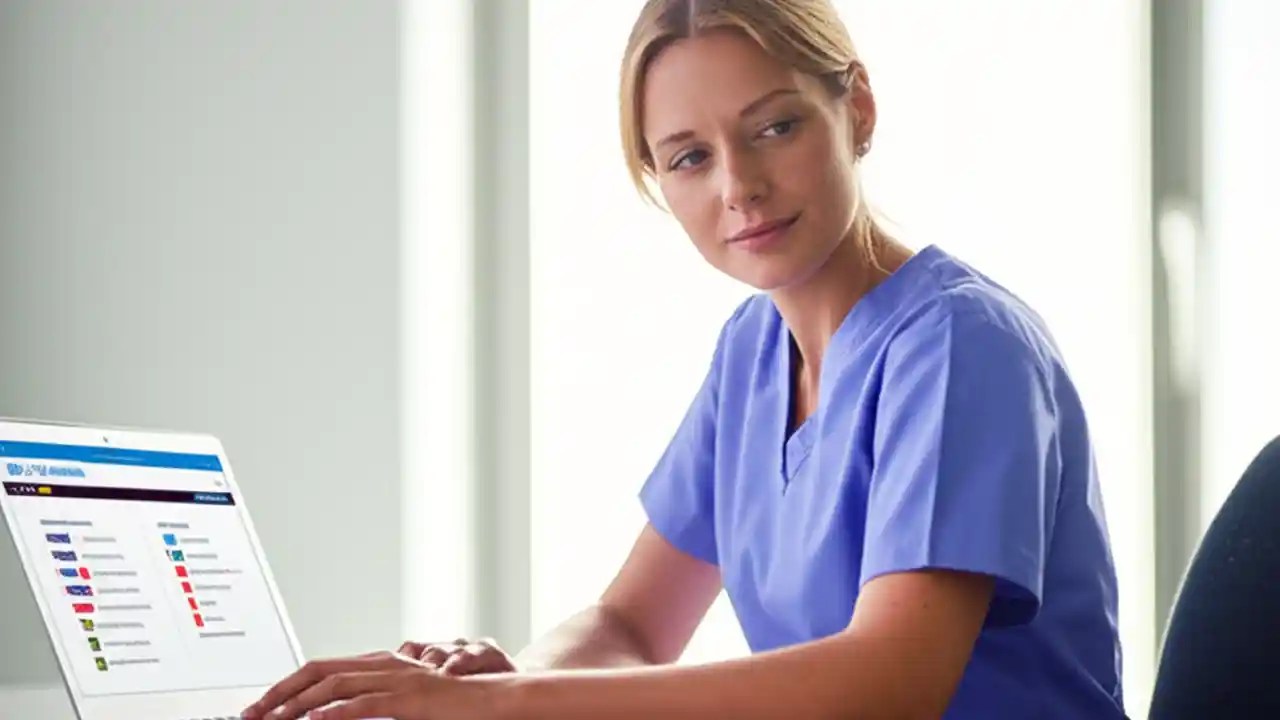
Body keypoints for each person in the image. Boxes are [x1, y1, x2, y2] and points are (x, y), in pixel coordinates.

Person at [242, 0, 1125, 717]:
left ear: (856, 108)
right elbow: (630, 623)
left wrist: (507, 708)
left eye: (774, 128)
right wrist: (500, 679)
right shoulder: (752, 354)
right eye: (690, 158)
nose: (738, 187)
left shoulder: (961, 347)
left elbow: (888, 683)